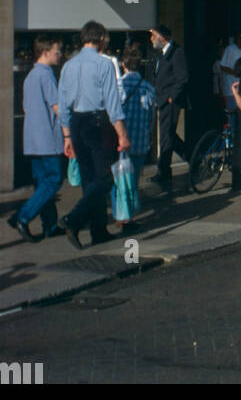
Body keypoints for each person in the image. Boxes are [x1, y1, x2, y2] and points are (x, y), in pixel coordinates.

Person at [58, 21, 130, 248]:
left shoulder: (68, 66)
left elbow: (63, 105)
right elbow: (112, 103)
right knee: (106, 178)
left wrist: (67, 137)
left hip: (77, 123)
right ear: (101, 40)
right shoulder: (104, 64)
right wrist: (122, 134)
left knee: (89, 180)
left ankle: (98, 230)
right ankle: (74, 219)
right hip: (99, 123)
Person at [9, 37, 65, 242]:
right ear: (46, 52)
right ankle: (22, 216)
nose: (60, 55)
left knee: (43, 182)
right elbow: (57, 107)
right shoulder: (46, 75)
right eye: (57, 51)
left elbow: (25, 108)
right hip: (48, 139)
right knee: (54, 180)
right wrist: (69, 133)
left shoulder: (30, 76)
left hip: (32, 140)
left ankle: (50, 225)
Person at [113, 46, 157, 228]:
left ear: (123, 64)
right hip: (139, 142)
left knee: (117, 180)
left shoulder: (116, 86)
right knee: (133, 179)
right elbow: (151, 118)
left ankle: (119, 215)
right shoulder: (148, 87)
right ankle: (129, 216)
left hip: (119, 142)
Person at [148, 25, 189, 188]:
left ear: (162, 37)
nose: (151, 39)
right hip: (162, 99)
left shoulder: (176, 52)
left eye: (153, 36)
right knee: (169, 134)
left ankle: (164, 171)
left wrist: (172, 97)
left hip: (170, 101)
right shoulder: (162, 54)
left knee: (166, 135)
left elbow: (182, 77)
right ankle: (193, 157)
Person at [219, 32, 241, 116]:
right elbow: (222, 66)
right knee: (231, 114)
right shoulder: (230, 49)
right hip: (230, 88)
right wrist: (236, 72)